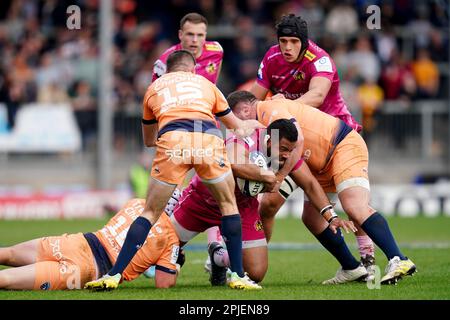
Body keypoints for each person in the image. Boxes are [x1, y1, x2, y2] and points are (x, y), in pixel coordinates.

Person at [84, 50, 263, 291]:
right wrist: (250, 125)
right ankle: (238, 276)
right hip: (206, 139)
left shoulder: (155, 88)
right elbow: (237, 128)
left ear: (168, 71)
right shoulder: (205, 84)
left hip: (173, 139)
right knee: (229, 206)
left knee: (150, 212)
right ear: (193, 69)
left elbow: (149, 140)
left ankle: (113, 275)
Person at [227, 91, 417, 285]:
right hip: (320, 164)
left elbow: (298, 140)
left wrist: (279, 177)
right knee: (312, 218)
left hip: (342, 146)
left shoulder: (267, 109)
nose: (233, 125)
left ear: (245, 109)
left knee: (354, 206)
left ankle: (398, 258)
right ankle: (351, 267)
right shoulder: (264, 129)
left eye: (233, 118)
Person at [250, 14, 377, 271]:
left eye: (293, 41)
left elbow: (317, 96)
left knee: (352, 204)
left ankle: (368, 255)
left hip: (332, 140)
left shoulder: (319, 59)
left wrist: (282, 106)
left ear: (304, 42)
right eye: (283, 41)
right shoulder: (271, 58)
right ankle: (252, 264)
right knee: (269, 204)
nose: (287, 47)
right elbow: (253, 100)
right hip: (295, 144)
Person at [171, 119, 360, 285]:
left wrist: (331, 216)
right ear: (269, 141)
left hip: (243, 208)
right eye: (284, 149)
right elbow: (233, 162)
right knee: (159, 250)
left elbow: (310, 184)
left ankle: (218, 257)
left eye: (290, 150)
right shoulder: (246, 137)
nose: (287, 155)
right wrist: (266, 177)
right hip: (203, 200)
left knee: (256, 272)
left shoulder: (287, 154)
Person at [152, 12, 225, 269]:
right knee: (171, 192)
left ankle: (215, 247)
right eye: (190, 34)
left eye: (200, 35)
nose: (195, 40)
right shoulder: (164, 62)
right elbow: (156, 98)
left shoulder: (217, 51)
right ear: (180, 35)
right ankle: (159, 247)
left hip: (207, 126)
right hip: (178, 131)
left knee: (215, 187)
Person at [0, 199, 183, 290]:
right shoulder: (171, 238)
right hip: (88, 269)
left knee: (8, 253)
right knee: (6, 280)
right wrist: (176, 263)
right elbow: (163, 283)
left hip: (77, 242)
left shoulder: (138, 202)